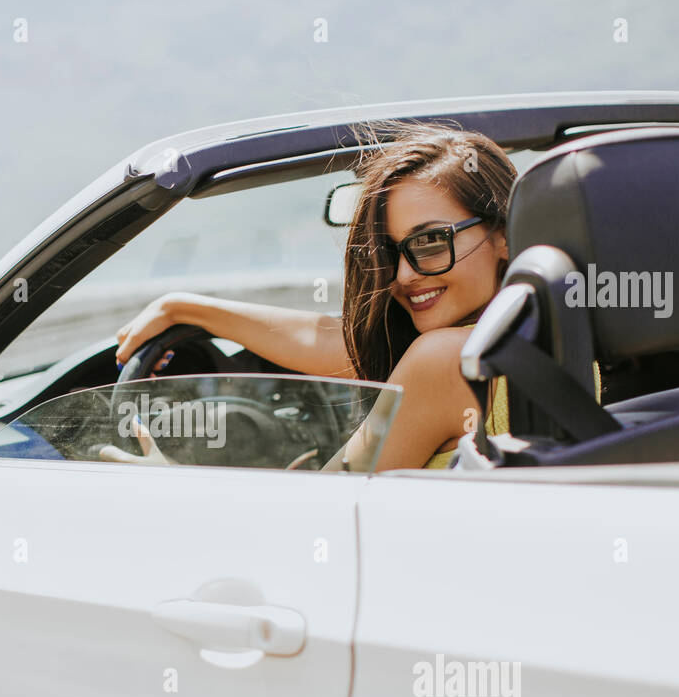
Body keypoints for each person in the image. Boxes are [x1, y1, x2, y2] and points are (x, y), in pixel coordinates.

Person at [115, 121, 522, 470]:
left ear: (504, 232)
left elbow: (311, 518)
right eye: (387, 251)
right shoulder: (562, 334)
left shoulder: (445, 361)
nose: (402, 275)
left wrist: (169, 480)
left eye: (431, 241)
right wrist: (185, 308)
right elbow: (353, 344)